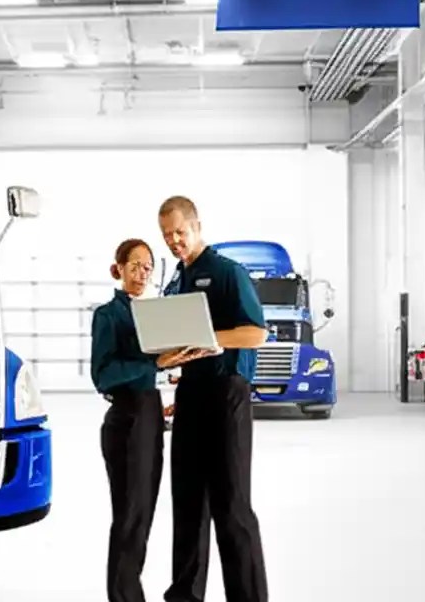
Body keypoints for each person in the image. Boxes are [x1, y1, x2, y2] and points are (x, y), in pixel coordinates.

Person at [157, 196, 270, 602]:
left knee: (232, 506)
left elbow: (257, 334)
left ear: (197, 226)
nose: (174, 241)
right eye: (167, 235)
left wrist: (208, 340)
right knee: (187, 503)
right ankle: (184, 595)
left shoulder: (227, 273)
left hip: (227, 396)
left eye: (180, 232)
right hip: (190, 395)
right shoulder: (177, 281)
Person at [92, 238, 209, 602]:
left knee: (142, 517)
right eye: (134, 266)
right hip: (125, 422)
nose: (141, 274)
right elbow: (103, 375)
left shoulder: (151, 313)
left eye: (147, 268)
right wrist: (153, 365)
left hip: (147, 417)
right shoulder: (109, 314)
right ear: (118, 269)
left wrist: (160, 397)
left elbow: (149, 371)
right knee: (129, 519)